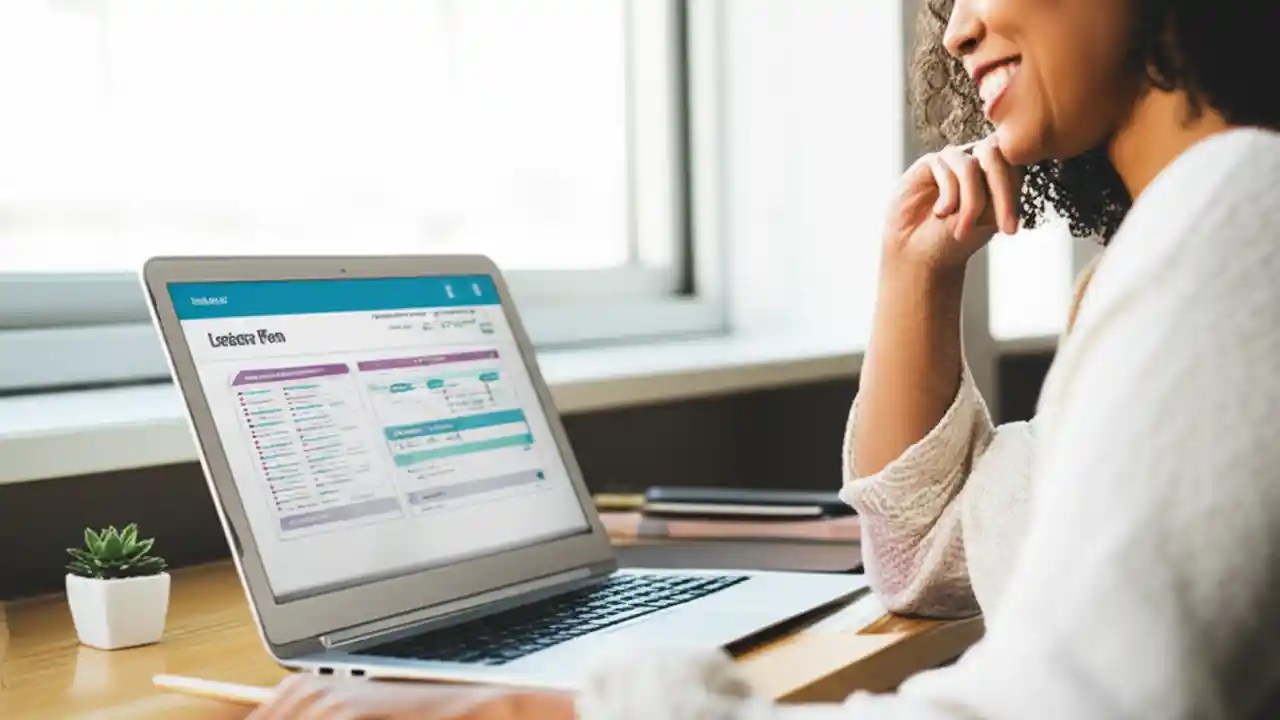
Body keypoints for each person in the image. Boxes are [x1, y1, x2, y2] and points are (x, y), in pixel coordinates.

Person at [248, 0, 1280, 717]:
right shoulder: (1168, 245)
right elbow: (924, 559)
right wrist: (912, 274)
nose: (959, 26)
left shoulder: (1235, 210)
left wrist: (550, 708)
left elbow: (1086, 706)